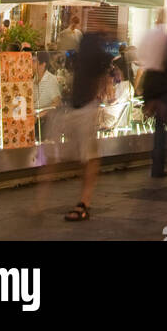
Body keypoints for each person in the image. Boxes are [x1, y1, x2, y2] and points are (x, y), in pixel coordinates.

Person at [61, 18, 112, 221]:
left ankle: (84, 202)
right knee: (85, 157)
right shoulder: (90, 44)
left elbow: (102, 74)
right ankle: (83, 201)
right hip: (81, 105)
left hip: (85, 106)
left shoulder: (91, 46)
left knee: (89, 157)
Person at [138, 10, 167, 179]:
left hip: (149, 78)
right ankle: (158, 165)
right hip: (162, 80)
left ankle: (155, 162)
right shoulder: (165, 38)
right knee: (161, 124)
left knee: (155, 121)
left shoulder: (147, 35)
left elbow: (140, 56)